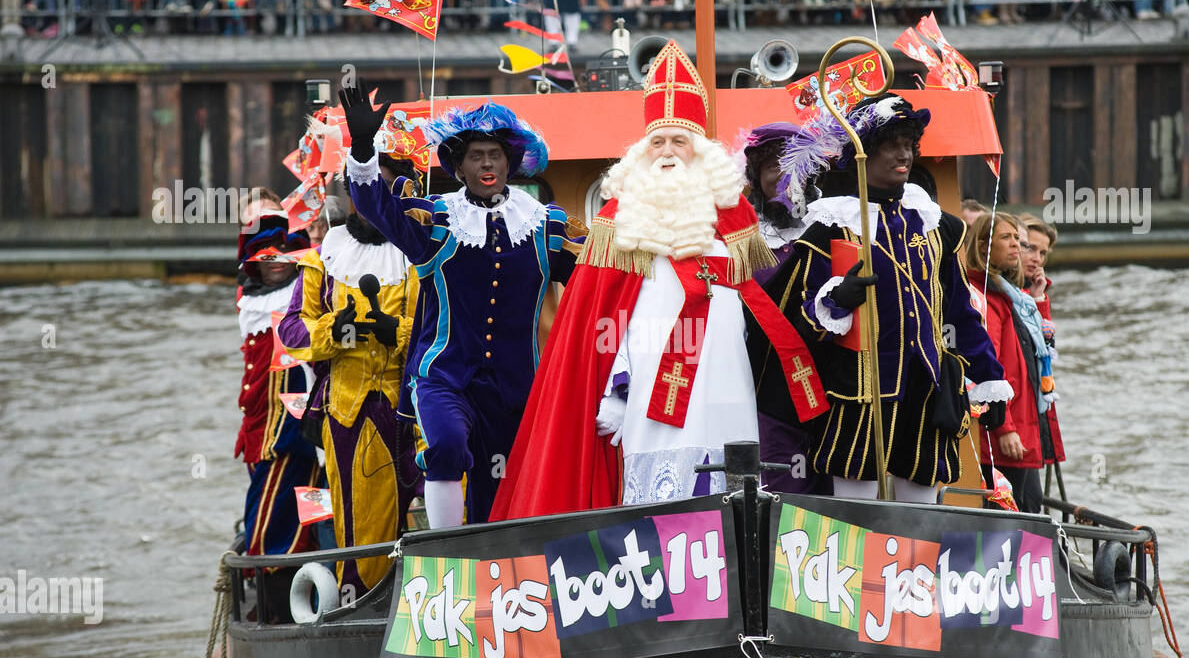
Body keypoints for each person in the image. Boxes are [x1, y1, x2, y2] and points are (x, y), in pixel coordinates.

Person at [491, 41, 829, 519]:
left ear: (701, 151)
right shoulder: (620, 217)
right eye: (659, 142)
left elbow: (757, 305)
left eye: (680, 141)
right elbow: (605, 316)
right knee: (663, 498)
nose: (669, 152)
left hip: (728, 378)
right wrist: (613, 390)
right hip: (651, 385)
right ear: (642, 151)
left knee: (733, 480)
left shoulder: (735, 216)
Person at [340, 87, 582, 528]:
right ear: (458, 165)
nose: (487, 164)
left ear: (510, 162)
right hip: (444, 376)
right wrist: (361, 149)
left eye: (494, 154)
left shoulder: (547, 225)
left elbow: (600, 271)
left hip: (516, 385)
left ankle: (499, 570)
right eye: (475, 156)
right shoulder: (435, 221)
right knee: (447, 447)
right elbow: (377, 207)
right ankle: (444, 555)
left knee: (500, 484)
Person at [766, 96, 1010, 504]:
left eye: (909, 143)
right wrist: (837, 300)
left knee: (923, 513)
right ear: (862, 150)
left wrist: (988, 377)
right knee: (853, 515)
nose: (905, 154)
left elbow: (958, 312)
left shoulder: (931, 221)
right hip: (859, 390)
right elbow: (799, 319)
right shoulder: (832, 225)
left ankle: (916, 570)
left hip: (927, 389)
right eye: (891, 144)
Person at [279, 201, 421, 595]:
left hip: (420, 404)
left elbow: (450, 326)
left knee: (447, 508)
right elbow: (291, 331)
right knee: (362, 524)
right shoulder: (323, 260)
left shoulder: (423, 257)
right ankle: (364, 598)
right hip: (348, 409)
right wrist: (333, 332)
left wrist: (401, 332)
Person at [234, 214, 322, 623]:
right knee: (274, 511)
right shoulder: (253, 305)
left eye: (287, 252)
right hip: (266, 435)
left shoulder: (305, 297)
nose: (278, 261)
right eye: (268, 255)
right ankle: (276, 603)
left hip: (294, 436)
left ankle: (280, 606)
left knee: (286, 516)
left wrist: (298, 434)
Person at [743, 122, 833, 495]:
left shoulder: (832, 228)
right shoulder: (742, 241)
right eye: (772, 169)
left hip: (832, 387)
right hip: (767, 392)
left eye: (794, 167)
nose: (783, 179)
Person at [964, 211, 1051, 512]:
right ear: (983, 246)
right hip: (1006, 433)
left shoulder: (1008, 296)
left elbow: (1035, 350)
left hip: (1022, 426)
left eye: (1017, 238)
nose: (1017, 245)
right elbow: (990, 369)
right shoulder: (987, 298)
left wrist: (1041, 302)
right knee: (1017, 511)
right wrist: (1005, 429)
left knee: (1029, 506)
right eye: (1007, 238)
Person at [1020, 213, 1065, 471]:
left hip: (1034, 417)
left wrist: (1039, 300)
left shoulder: (1034, 294)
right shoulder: (1006, 293)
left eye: (1043, 253)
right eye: (1030, 248)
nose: (1037, 258)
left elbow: (1046, 351)